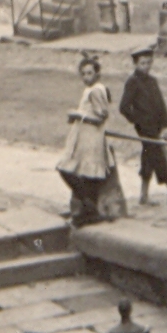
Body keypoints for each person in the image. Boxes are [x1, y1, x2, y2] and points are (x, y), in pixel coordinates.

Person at [57, 54, 116, 226]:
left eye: (90, 73)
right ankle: (88, 211)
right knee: (87, 174)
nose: (86, 77)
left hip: (91, 138)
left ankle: (89, 206)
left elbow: (100, 118)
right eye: (83, 73)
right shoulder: (89, 90)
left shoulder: (97, 90)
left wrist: (78, 115)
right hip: (85, 137)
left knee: (66, 169)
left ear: (97, 74)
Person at [120, 44, 167, 206]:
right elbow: (123, 107)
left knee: (148, 157)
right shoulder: (132, 82)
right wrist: (138, 121)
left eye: (149, 63)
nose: (146, 66)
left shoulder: (152, 81)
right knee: (158, 156)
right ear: (135, 64)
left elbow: (161, 105)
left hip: (156, 125)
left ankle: (143, 195)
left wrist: (166, 126)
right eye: (143, 63)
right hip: (145, 127)